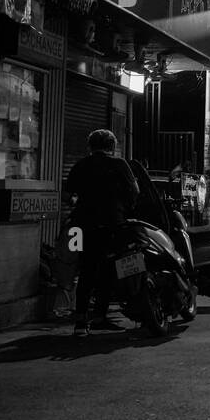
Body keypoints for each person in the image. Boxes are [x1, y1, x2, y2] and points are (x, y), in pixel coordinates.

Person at [65, 129, 140, 336]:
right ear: (112, 146)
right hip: (112, 224)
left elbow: (69, 194)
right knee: (110, 269)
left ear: (90, 146)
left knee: (86, 269)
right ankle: (100, 316)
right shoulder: (119, 164)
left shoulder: (81, 165)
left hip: (83, 226)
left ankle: (80, 322)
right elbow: (134, 191)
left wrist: (79, 202)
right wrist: (125, 206)